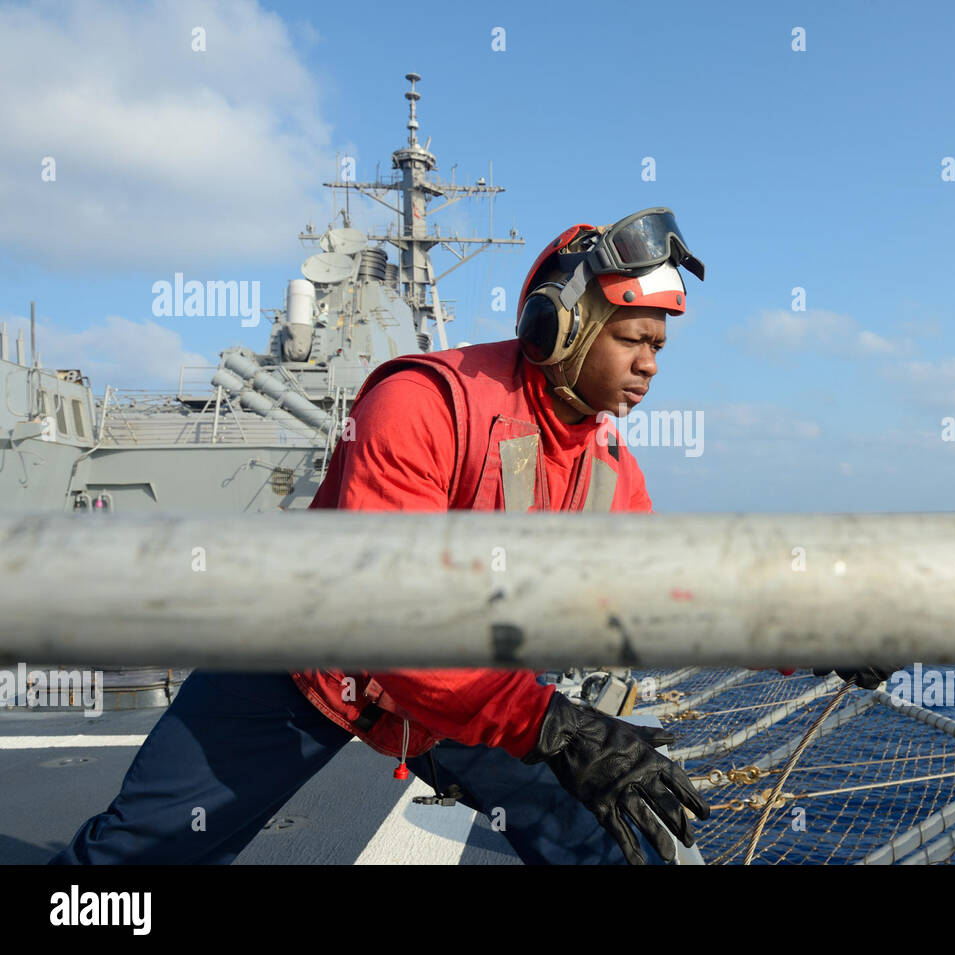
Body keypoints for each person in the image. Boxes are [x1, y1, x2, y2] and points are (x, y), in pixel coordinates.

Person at [50, 207, 710, 866]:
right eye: (634, 339)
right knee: (135, 858)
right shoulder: (422, 404)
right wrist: (555, 729)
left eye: (657, 346)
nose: (650, 364)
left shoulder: (606, 465)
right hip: (301, 663)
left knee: (617, 844)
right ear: (558, 326)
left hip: (459, 687)